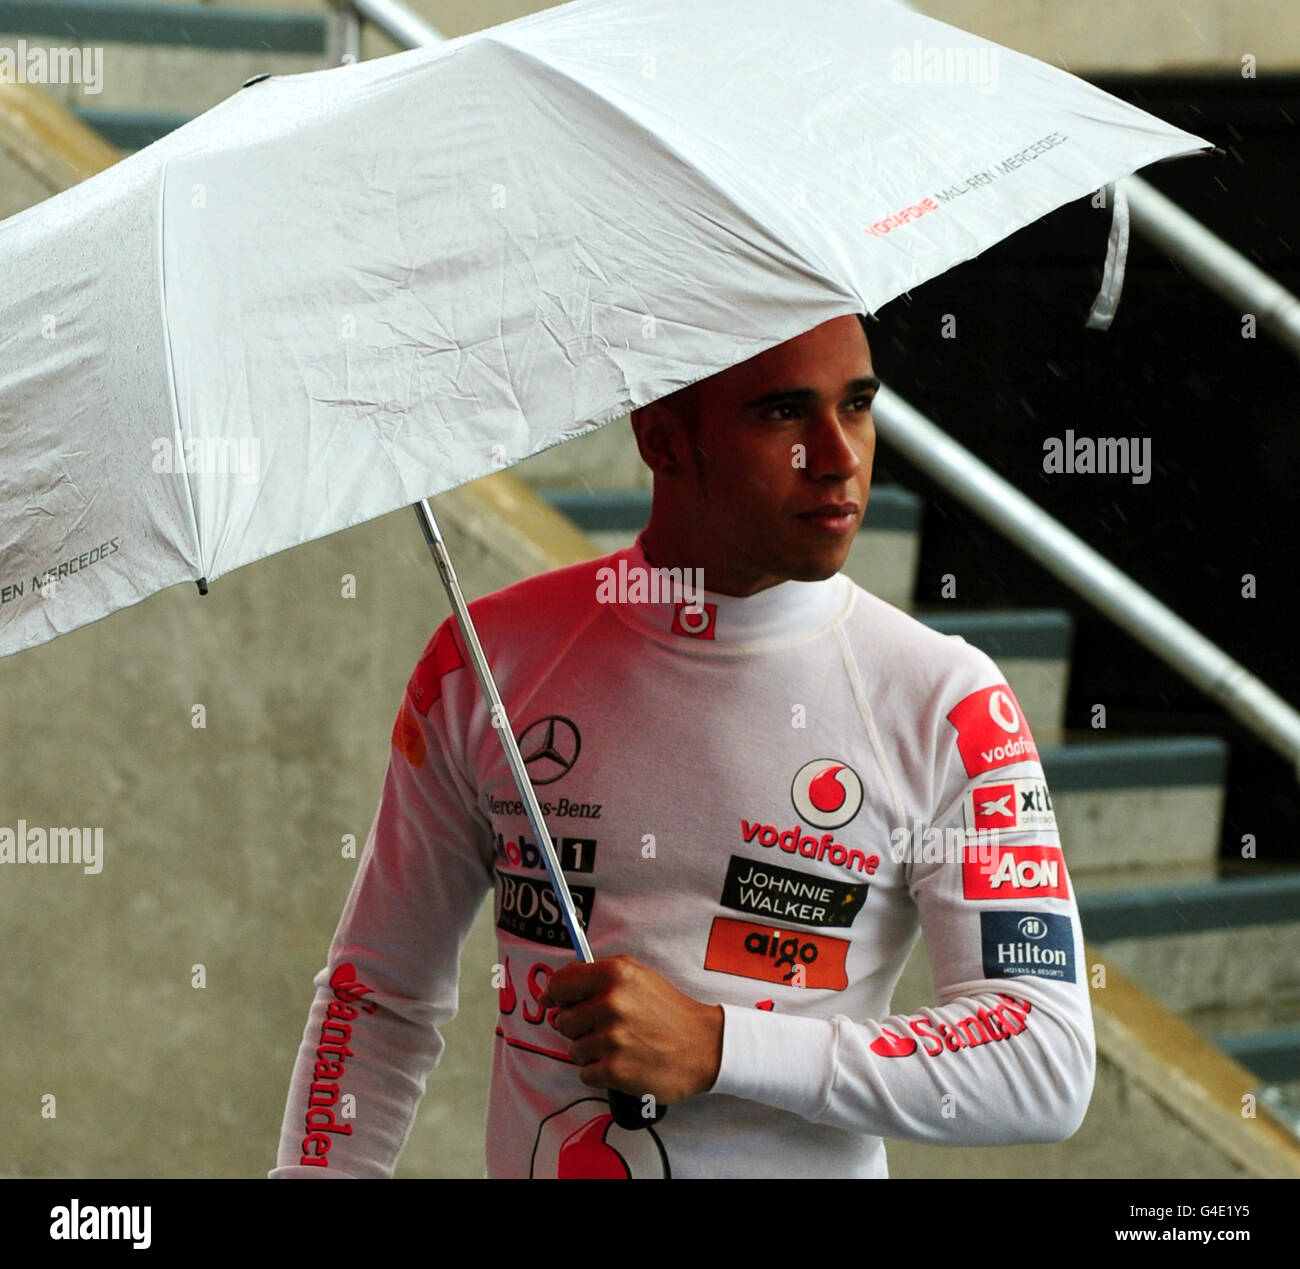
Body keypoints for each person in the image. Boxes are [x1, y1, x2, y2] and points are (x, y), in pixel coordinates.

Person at [269, 312, 1095, 1179]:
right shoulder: (484, 661)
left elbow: (1041, 1058)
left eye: (856, 405)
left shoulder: (945, 699)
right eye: (783, 414)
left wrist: (718, 1044)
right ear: (662, 439)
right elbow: (376, 999)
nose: (839, 454)